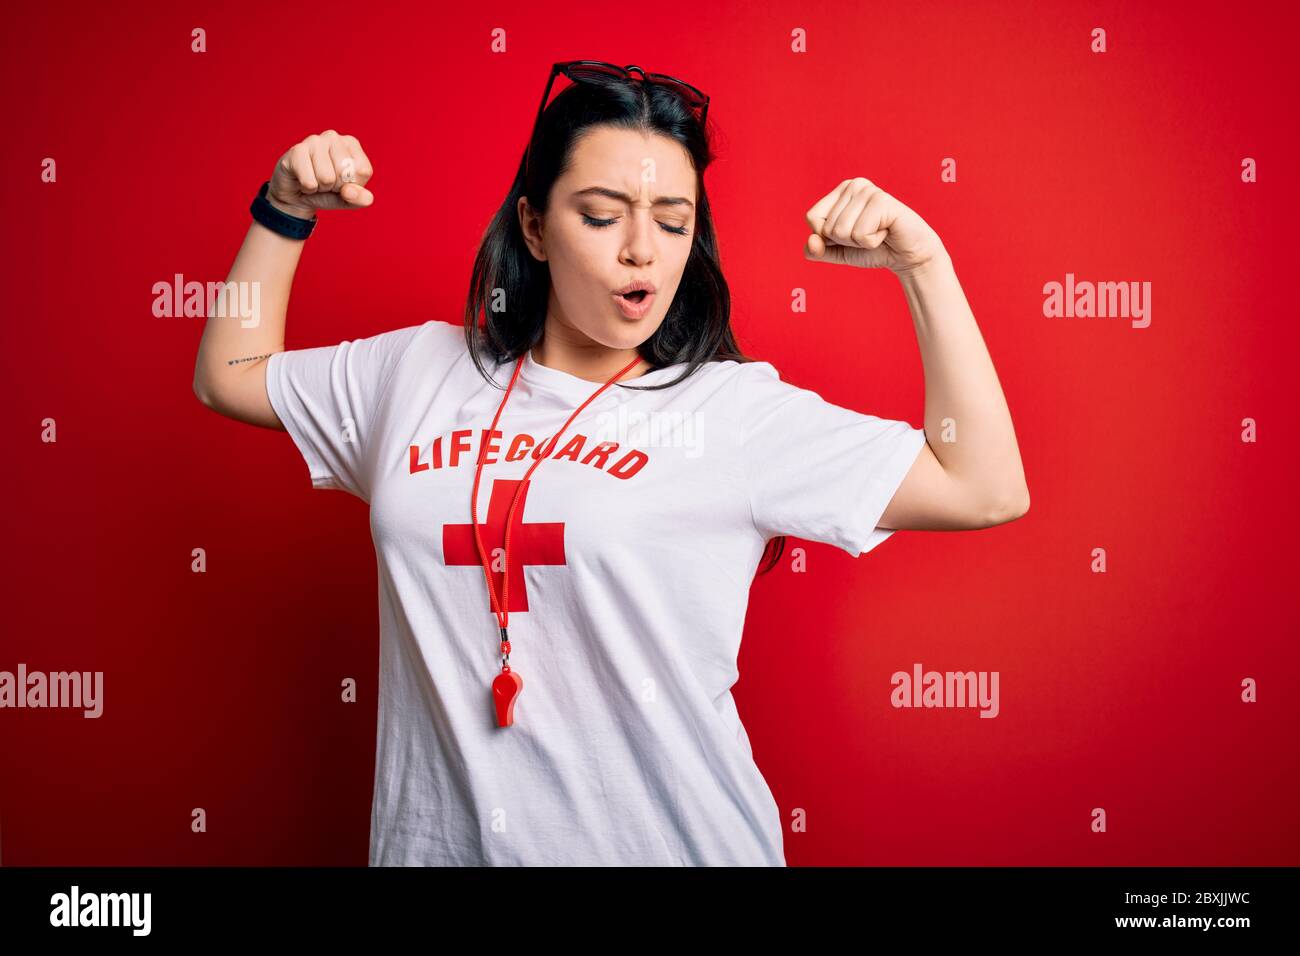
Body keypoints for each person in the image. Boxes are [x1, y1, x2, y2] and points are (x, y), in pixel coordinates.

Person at [192, 61, 1029, 866]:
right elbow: (228, 376)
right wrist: (283, 210)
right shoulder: (414, 373)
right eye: (600, 216)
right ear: (534, 227)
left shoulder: (728, 412)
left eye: (673, 222)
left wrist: (925, 268)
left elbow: (983, 487)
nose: (643, 252)